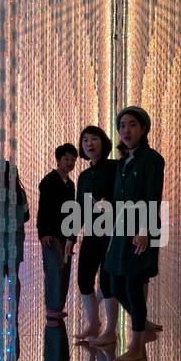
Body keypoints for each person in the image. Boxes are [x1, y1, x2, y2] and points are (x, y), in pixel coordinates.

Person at [104, 107, 164, 361]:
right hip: (120, 229)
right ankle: (144, 324)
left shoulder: (152, 159)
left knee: (132, 286)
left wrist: (145, 230)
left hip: (141, 228)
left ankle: (136, 345)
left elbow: (153, 196)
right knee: (115, 285)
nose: (126, 130)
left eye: (132, 125)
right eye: (122, 126)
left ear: (143, 129)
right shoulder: (123, 162)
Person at [74, 126, 121, 342]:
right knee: (84, 279)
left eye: (94, 139)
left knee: (107, 281)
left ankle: (111, 329)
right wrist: (71, 237)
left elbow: (123, 197)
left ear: (103, 142)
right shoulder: (83, 177)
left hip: (112, 232)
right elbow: (79, 208)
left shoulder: (115, 168)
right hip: (92, 233)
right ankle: (93, 323)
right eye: (85, 140)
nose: (89, 144)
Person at [38, 144, 78, 319]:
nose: (70, 163)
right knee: (54, 269)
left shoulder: (70, 184)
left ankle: (58, 305)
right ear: (58, 160)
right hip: (51, 234)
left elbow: (73, 211)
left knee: (64, 270)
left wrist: (72, 236)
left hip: (66, 234)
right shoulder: (48, 181)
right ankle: (52, 307)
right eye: (66, 159)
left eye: (73, 160)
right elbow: (43, 209)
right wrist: (43, 233)